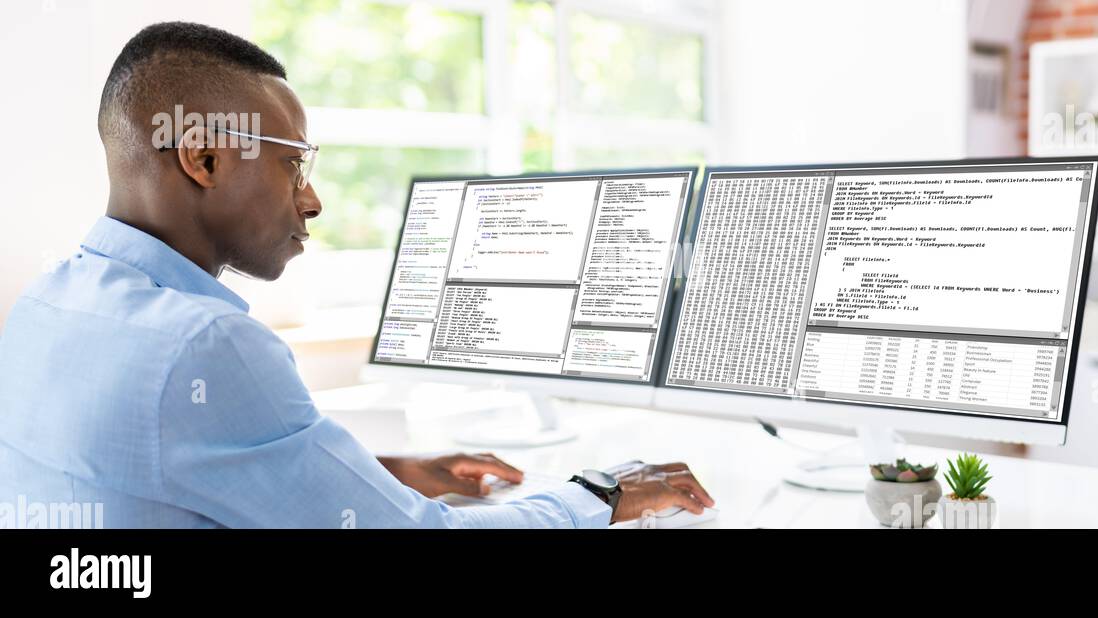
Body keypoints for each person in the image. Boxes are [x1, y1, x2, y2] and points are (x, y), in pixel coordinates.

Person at [0, 21, 712, 528]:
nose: (312, 198)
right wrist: (602, 492)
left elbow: (166, 467)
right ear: (203, 159)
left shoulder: (47, 302)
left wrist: (385, 473)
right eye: (292, 163)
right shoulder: (204, 343)